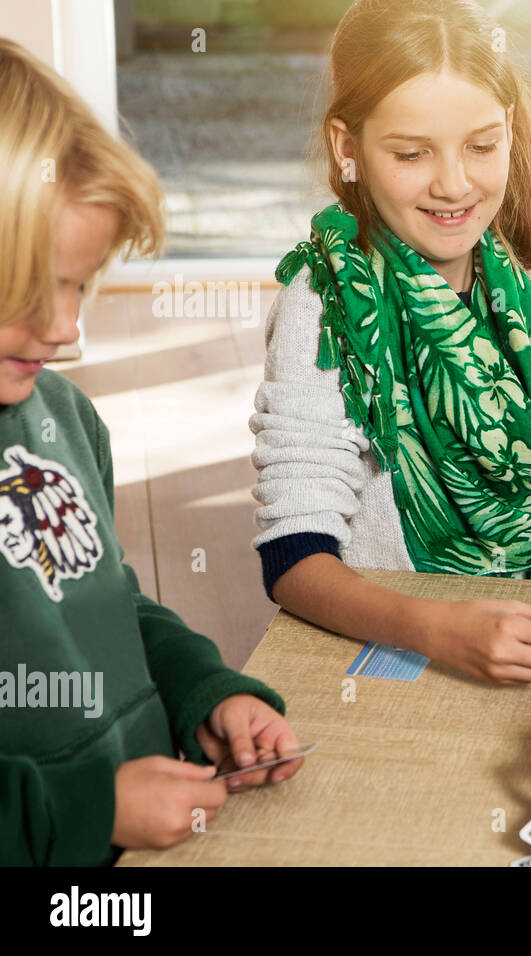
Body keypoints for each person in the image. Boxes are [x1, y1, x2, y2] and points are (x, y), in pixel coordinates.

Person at [251, 0, 531, 685]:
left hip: (525, 630)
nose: (453, 184)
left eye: (481, 145)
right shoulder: (318, 308)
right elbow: (293, 554)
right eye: (411, 153)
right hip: (384, 647)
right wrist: (436, 630)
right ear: (346, 147)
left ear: (510, 130)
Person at [0, 37, 303, 866]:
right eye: (27, 290)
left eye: (78, 284)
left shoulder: (59, 413)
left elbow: (108, 606)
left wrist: (201, 695)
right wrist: (79, 809)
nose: (64, 329)